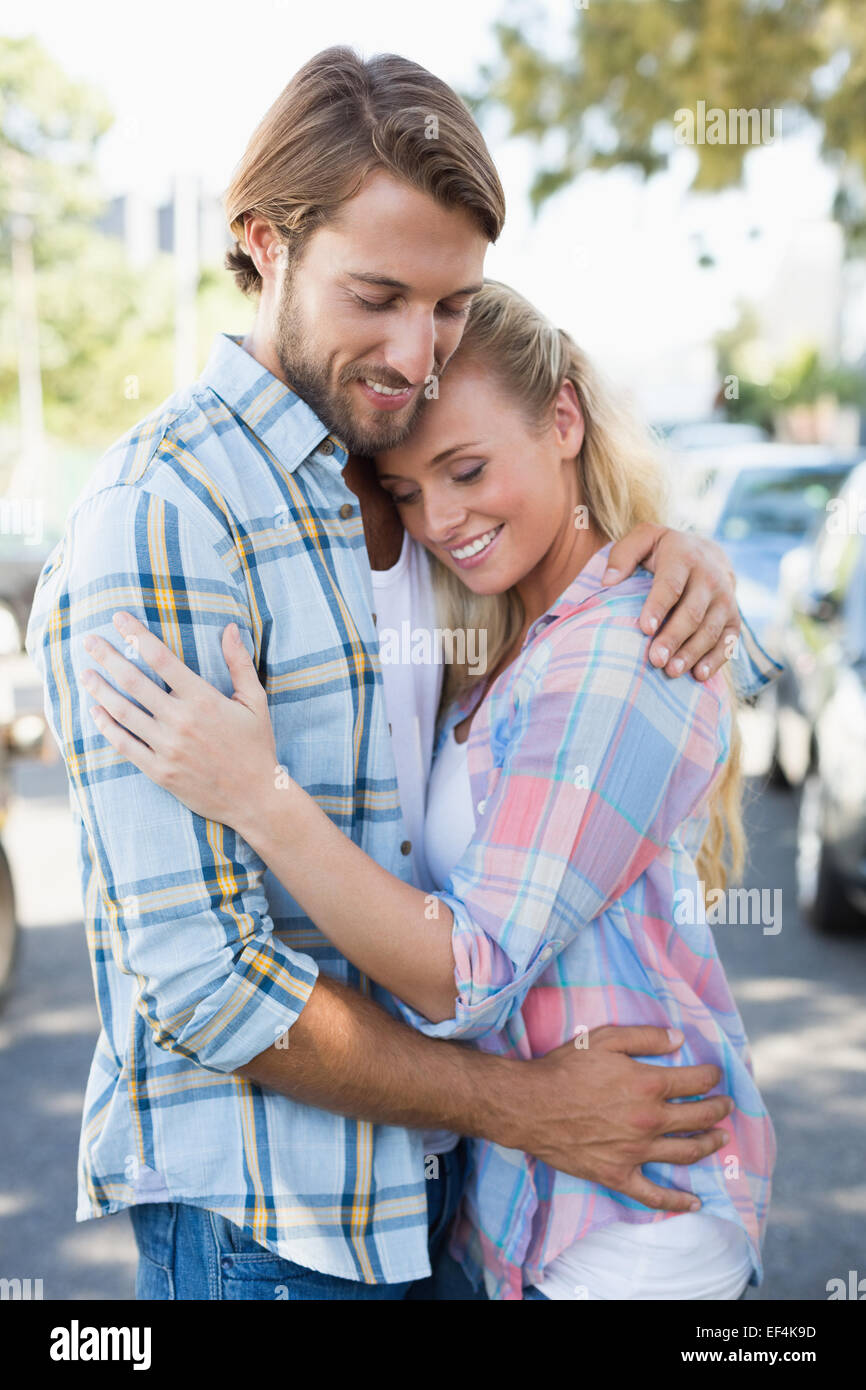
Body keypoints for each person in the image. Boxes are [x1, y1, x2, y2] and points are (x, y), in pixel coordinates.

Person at [26, 49, 774, 1301]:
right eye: (378, 294)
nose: (418, 348)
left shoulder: (386, 480)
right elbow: (204, 979)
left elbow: (555, 586)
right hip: (279, 1233)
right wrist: (525, 1107)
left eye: (446, 303)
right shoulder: (167, 513)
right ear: (264, 241)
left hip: (440, 1204)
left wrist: (674, 554)